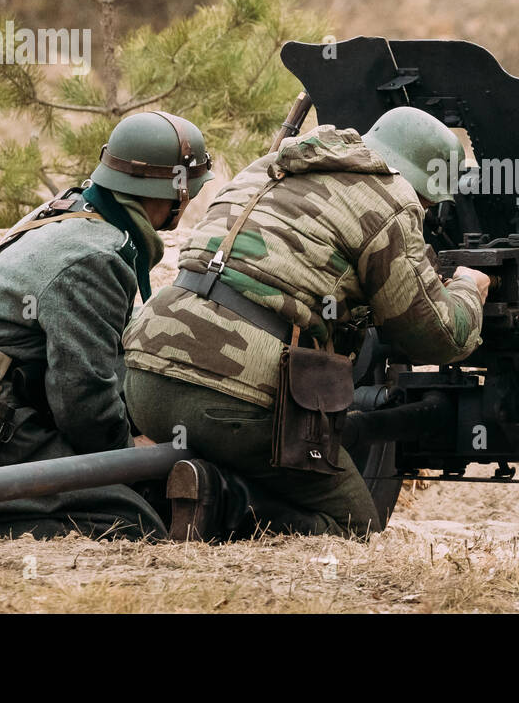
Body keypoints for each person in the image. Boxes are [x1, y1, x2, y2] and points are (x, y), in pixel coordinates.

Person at [123, 106, 491, 540]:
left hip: (145, 373)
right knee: (355, 521)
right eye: (431, 202)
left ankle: (163, 497)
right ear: (420, 182)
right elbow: (438, 337)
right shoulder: (391, 197)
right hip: (231, 396)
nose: (426, 211)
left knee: (238, 449)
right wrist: (469, 287)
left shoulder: (270, 164)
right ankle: (218, 501)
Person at [0, 111, 212, 539]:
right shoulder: (98, 256)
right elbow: (81, 397)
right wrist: (130, 456)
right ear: (177, 190)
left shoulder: (71, 209)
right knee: (129, 519)